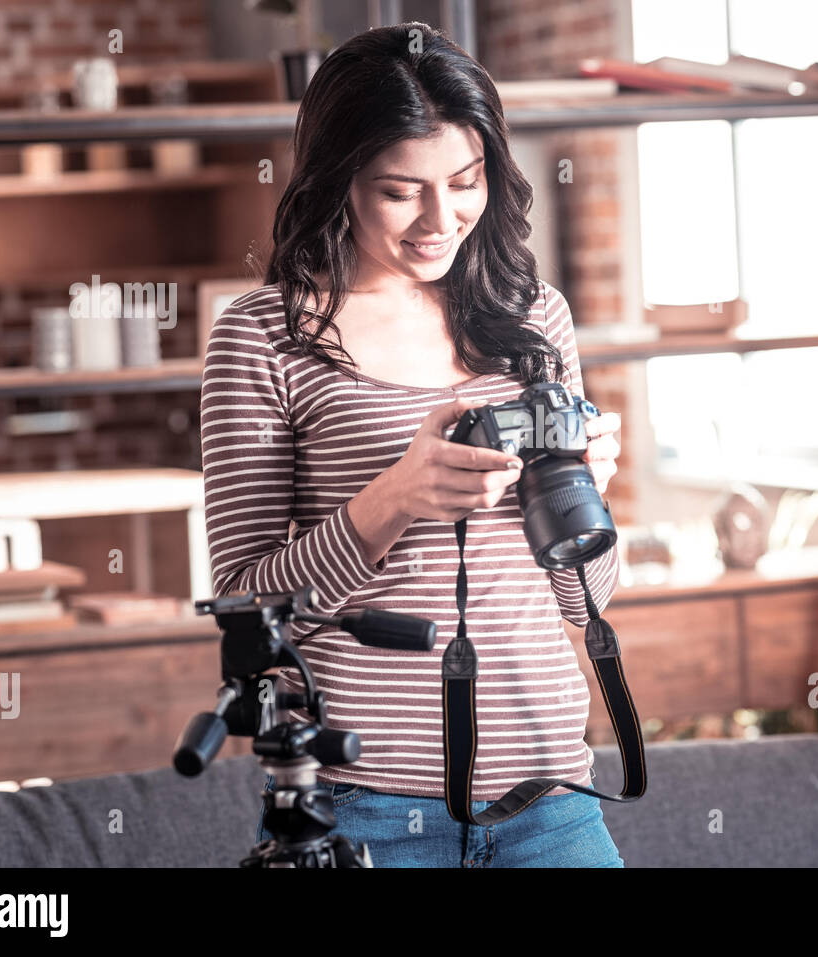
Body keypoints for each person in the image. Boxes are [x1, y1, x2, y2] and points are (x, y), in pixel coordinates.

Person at [199, 22, 625, 867]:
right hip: (363, 808)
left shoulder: (532, 315)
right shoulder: (263, 338)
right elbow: (247, 612)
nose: (442, 219)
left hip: (550, 798)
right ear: (338, 180)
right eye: (401, 191)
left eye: (465, 182)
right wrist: (393, 498)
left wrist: (588, 495)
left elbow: (586, 604)